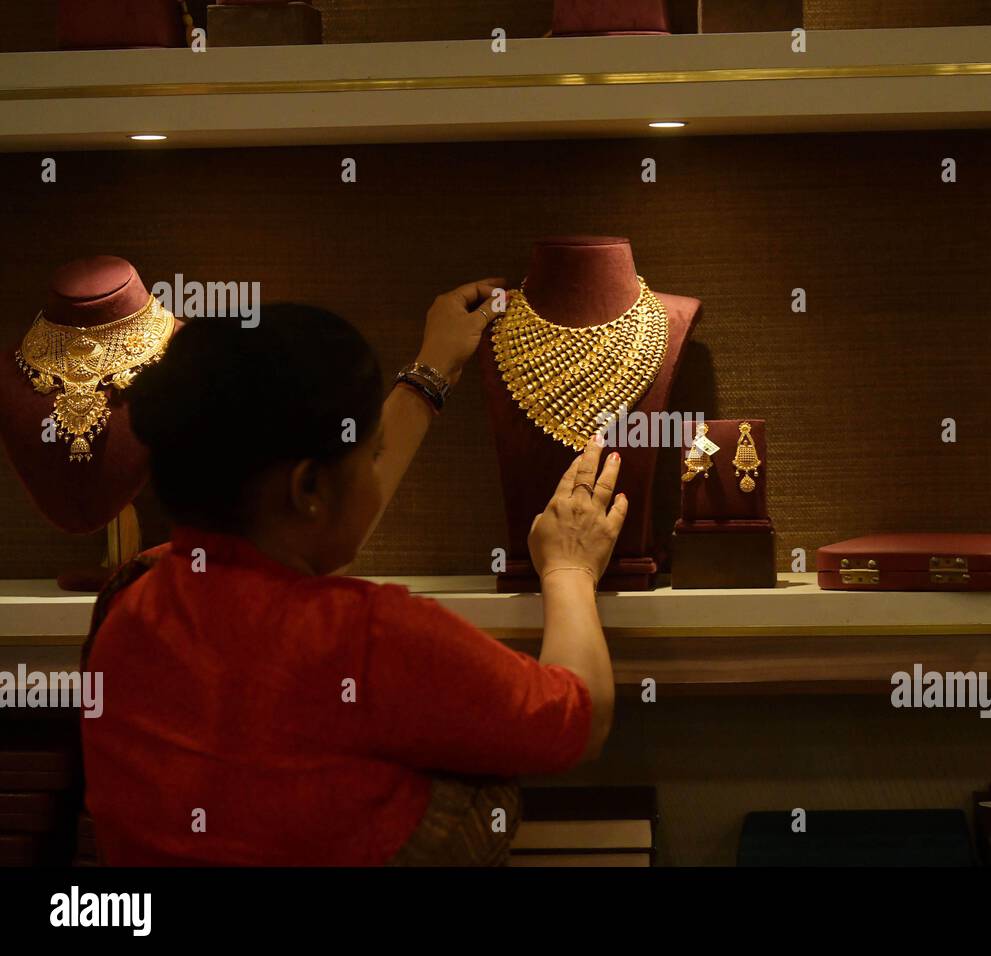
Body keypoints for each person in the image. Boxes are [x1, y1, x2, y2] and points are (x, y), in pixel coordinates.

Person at [80, 280, 626, 865]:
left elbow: (296, 547)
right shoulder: (365, 639)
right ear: (309, 487)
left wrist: (431, 371)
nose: (375, 467)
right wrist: (569, 569)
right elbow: (578, 718)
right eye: (370, 453)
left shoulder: (130, 605)